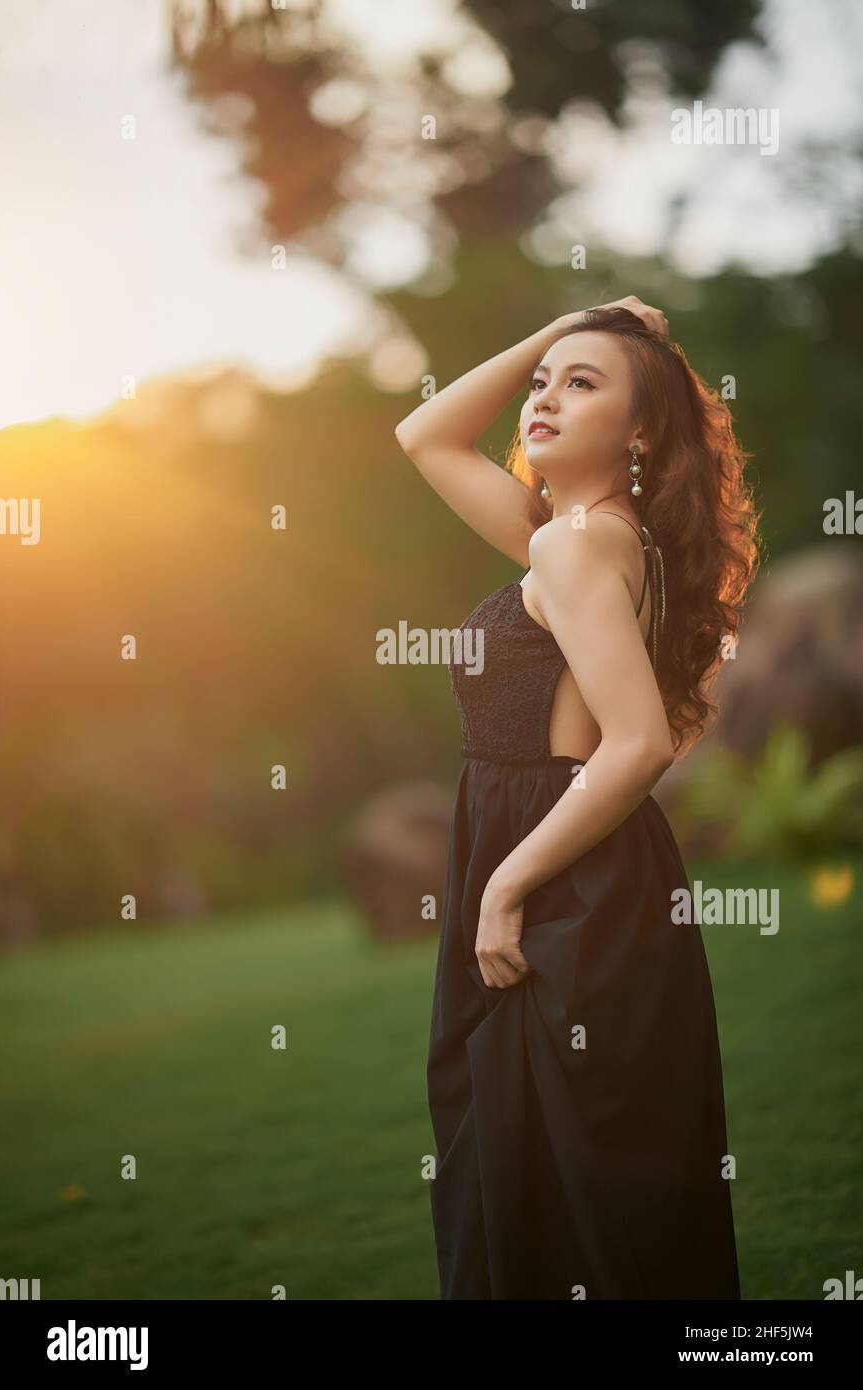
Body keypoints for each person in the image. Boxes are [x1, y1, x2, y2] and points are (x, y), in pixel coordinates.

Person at [394, 296, 760, 1301]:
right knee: (588, 1197)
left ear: (638, 432)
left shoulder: (566, 546)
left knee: (543, 1201)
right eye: (540, 382)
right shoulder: (586, 536)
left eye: (581, 382)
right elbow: (423, 433)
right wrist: (571, 324)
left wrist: (503, 884)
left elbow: (638, 742)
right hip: (597, 875)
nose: (543, 396)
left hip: (557, 884)